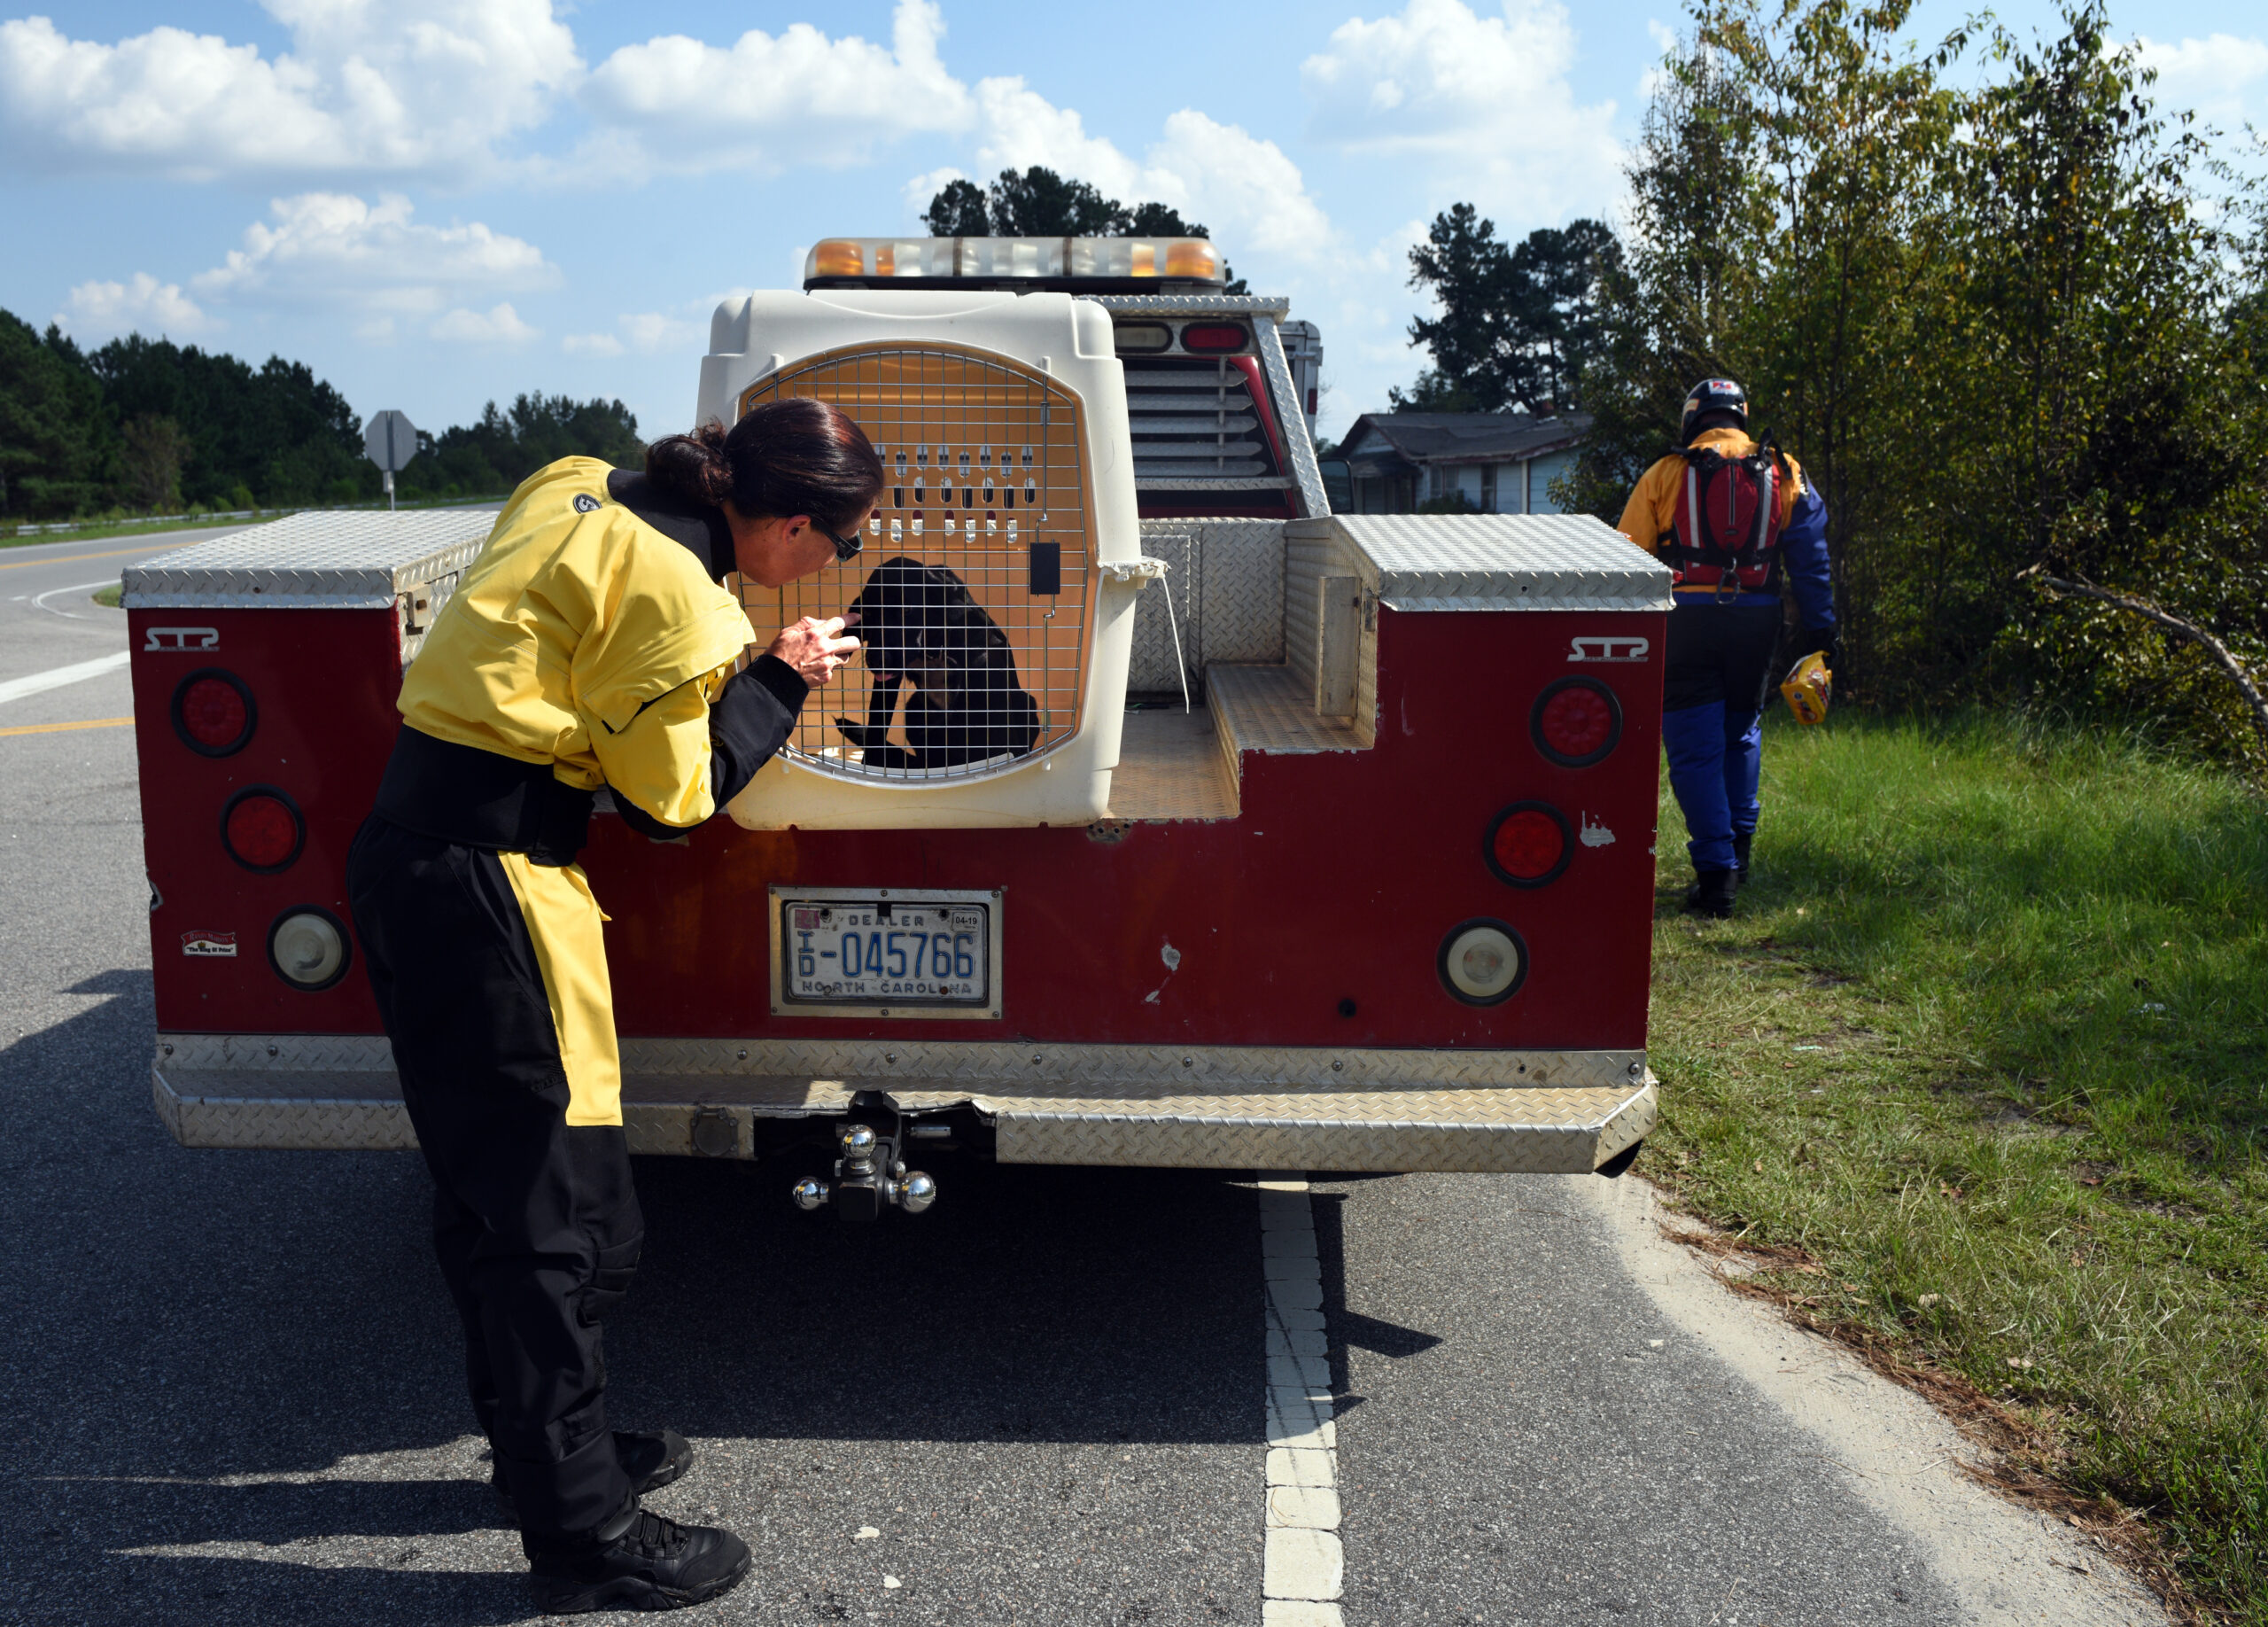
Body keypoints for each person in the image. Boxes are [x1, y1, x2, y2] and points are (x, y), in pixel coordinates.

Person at [346, 399, 880, 1613]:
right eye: (840, 543)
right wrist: (780, 676)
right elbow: (670, 801)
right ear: (790, 526)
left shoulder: (575, 479)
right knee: (565, 1222)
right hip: (495, 884)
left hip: (411, 855)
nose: (834, 564)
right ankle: (584, 1530)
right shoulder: (685, 600)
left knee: (495, 1197)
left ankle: (546, 1460)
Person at [1617, 378, 1836, 918]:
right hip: (1757, 620)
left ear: (1693, 418)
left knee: (1695, 749)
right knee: (1741, 732)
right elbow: (1811, 555)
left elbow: (1627, 560)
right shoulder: (1784, 468)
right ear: (1740, 416)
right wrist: (1822, 630)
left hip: (1687, 620)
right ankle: (1740, 854)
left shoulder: (1665, 472)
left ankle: (1717, 879)